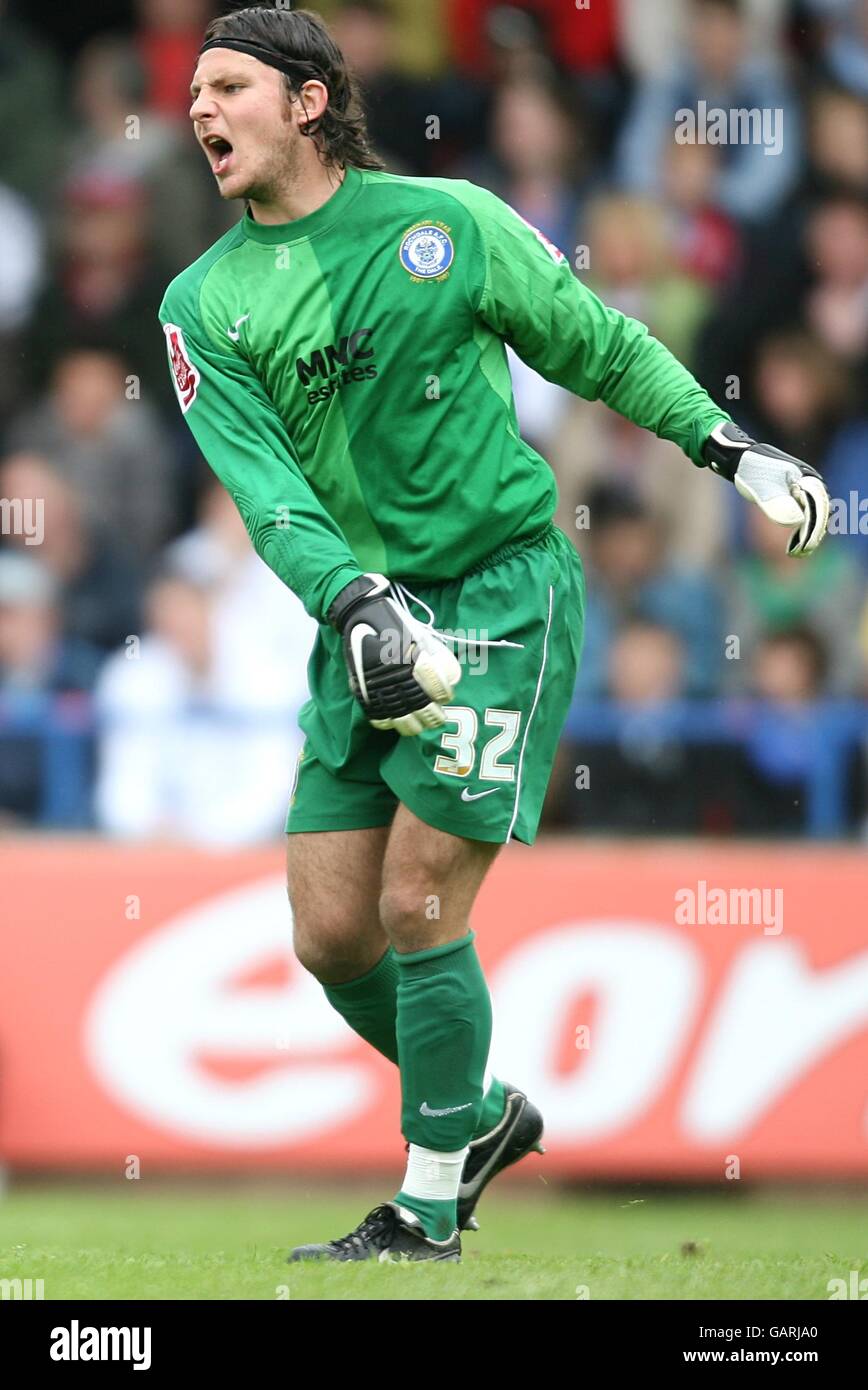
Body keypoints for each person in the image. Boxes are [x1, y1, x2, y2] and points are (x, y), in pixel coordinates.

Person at [158, 4, 830, 1264]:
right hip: (356, 613)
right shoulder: (201, 305)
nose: (199, 110)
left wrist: (726, 446)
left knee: (418, 900)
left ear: (307, 102)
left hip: (496, 593)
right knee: (327, 933)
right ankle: (470, 1117)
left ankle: (423, 1214)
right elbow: (268, 493)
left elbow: (597, 347)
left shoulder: (449, 225)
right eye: (193, 93)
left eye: (228, 86)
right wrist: (352, 601)